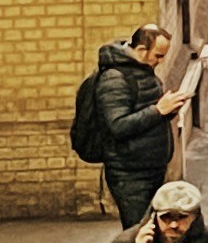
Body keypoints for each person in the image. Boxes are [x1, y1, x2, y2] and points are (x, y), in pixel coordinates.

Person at [81, 23, 194, 226]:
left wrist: (168, 110)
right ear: (141, 50)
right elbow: (118, 125)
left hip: (149, 168)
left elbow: (144, 114)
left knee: (151, 229)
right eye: (158, 56)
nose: (159, 62)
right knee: (138, 232)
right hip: (129, 174)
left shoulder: (141, 70)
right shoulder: (114, 79)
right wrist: (158, 110)